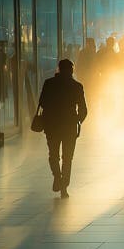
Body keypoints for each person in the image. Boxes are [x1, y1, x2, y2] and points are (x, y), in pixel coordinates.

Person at [37, 59, 88, 198]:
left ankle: (57, 176)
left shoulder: (49, 83)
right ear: (71, 70)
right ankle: (64, 186)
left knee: (53, 154)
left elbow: (42, 102)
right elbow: (83, 109)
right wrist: (77, 120)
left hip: (51, 125)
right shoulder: (77, 86)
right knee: (67, 157)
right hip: (69, 126)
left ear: (58, 69)